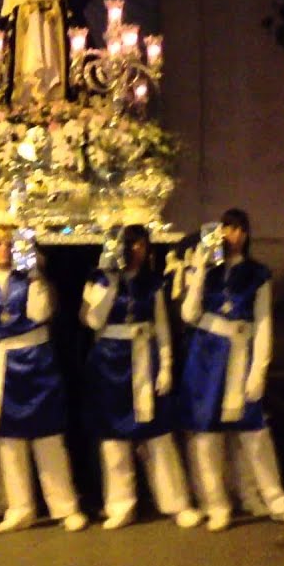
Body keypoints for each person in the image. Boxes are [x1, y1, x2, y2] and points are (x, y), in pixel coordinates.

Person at [181, 209, 284, 532]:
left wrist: (259, 370)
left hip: (240, 354)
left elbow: (264, 324)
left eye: (238, 229)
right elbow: (188, 314)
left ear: (246, 234)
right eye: (225, 228)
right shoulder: (204, 269)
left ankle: (276, 501)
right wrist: (199, 270)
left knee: (255, 435)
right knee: (207, 437)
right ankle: (216, 503)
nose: (231, 235)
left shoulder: (258, 274)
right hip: (207, 358)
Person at [0, 224, 87, 533]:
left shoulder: (33, 280)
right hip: (3, 367)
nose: (4, 248)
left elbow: (40, 313)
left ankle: (65, 507)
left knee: (49, 440)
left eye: (10, 243)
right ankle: (19, 507)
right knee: (9, 444)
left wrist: (34, 274)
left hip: (38, 364)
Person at [80, 224, 202, 530]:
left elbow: (162, 326)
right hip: (109, 364)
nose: (136, 250)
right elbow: (93, 320)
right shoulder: (97, 279)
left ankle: (176, 503)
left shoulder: (153, 283)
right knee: (114, 440)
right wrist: (110, 279)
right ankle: (120, 505)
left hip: (143, 359)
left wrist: (166, 366)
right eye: (130, 244)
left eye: (141, 245)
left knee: (157, 435)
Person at [0, 0, 76, 107]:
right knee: (30, 64)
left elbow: (66, 11)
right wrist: (28, 9)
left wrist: (52, 9)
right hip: (28, 32)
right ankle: (27, 94)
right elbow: (10, 13)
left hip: (50, 30)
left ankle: (53, 96)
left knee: (50, 62)